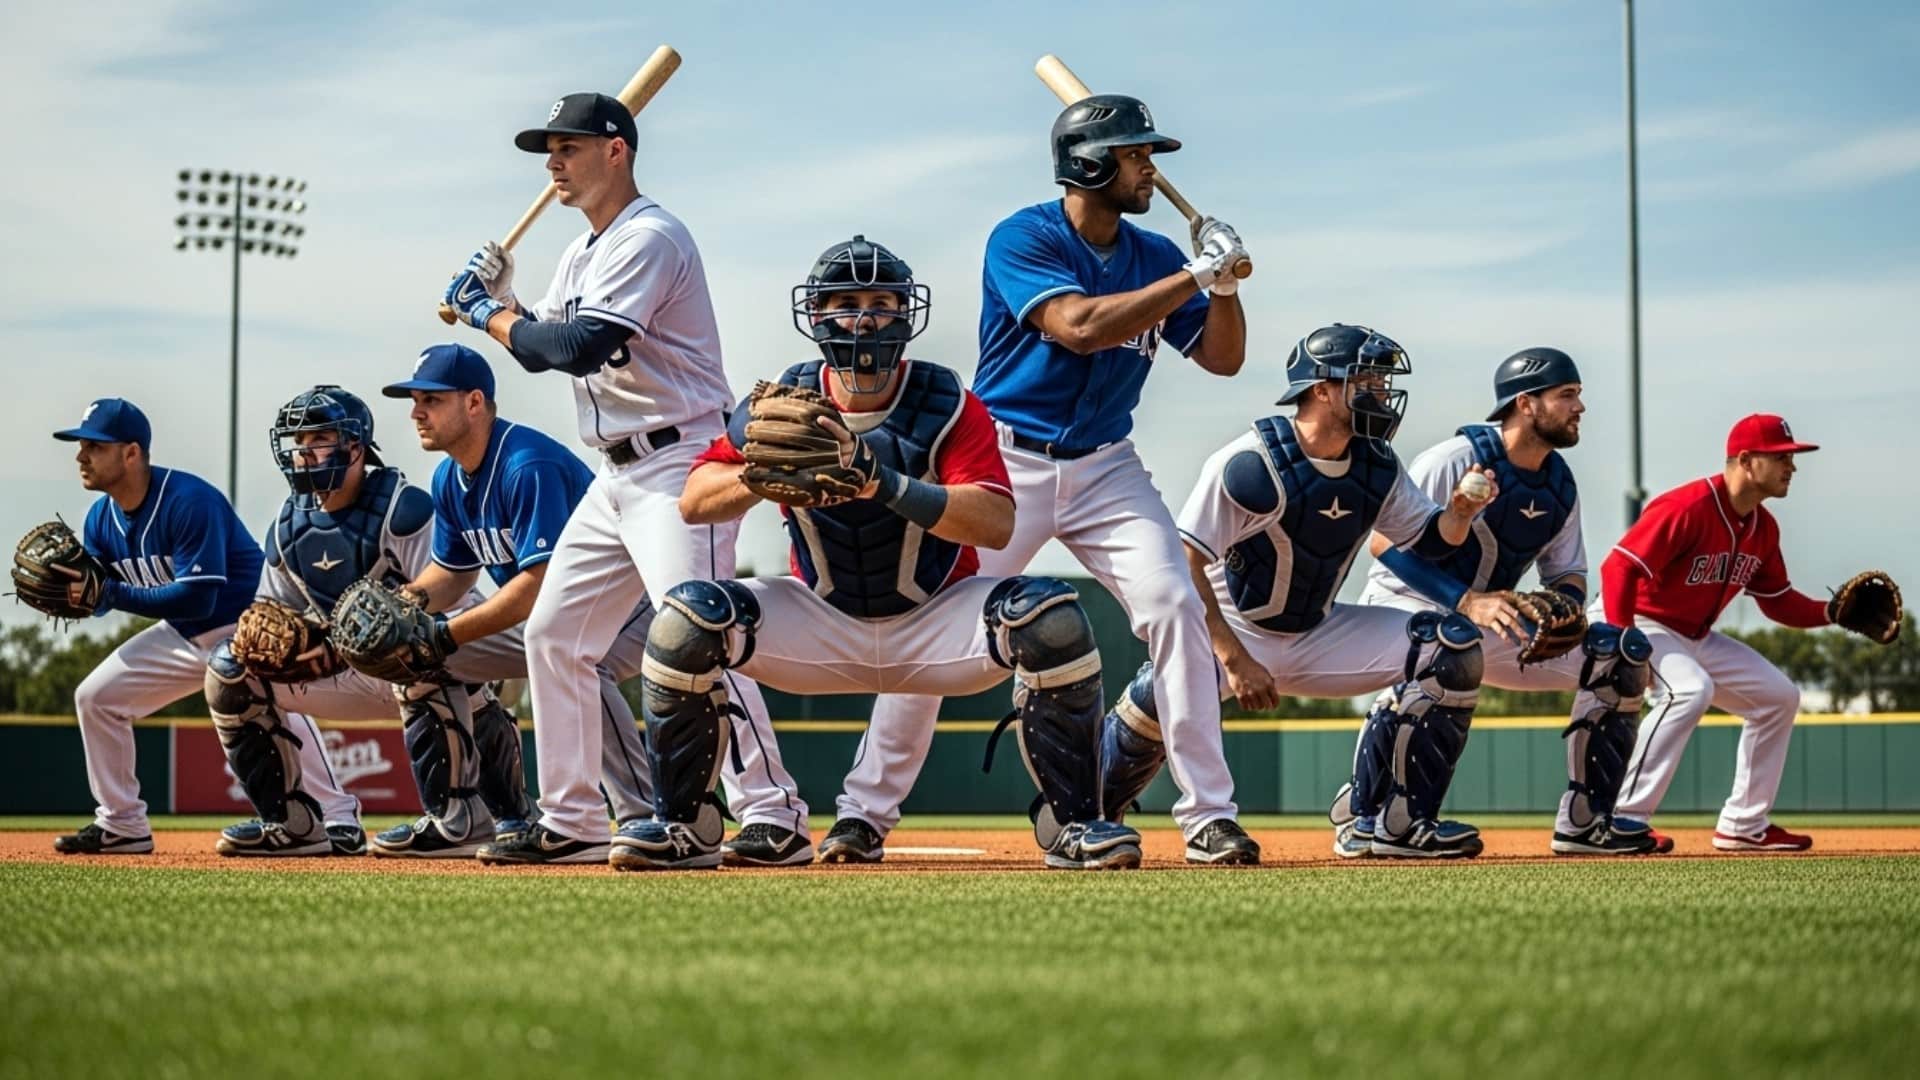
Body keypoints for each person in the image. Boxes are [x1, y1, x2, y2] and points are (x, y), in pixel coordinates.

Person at [612, 236, 1139, 871]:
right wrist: (758, 474)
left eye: (882, 302)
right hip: (822, 619)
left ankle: (1076, 820)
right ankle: (684, 824)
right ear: (818, 315)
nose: (865, 318)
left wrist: (879, 481)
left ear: (905, 314)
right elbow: (695, 501)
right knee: (686, 619)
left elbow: (997, 521)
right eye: (847, 303)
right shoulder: (782, 401)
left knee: (1051, 616)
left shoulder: (946, 403)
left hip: (934, 620)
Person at [851, 92, 1258, 865]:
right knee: (933, 627)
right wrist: (1195, 276)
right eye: (1136, 154)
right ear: (1089, 162)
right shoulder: (1023, 236)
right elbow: (1076, 328)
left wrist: (1225, 286)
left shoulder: (1158, 258)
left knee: (1175, 605)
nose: (1148, 169)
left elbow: (1223, 358)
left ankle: (1209, 815)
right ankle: (865, 813)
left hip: (1108, 464)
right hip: (1005, 459)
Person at [443, 91, 806, 866]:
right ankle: (571, 818)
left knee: (696, 633)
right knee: (555, 635)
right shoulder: (581, 254)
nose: (553, 162)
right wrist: (505, 300)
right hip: (614, 474)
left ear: (617, 150)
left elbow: (570, 346)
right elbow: (538, 334)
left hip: (683, 462)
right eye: (549, 149)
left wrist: (484, 314)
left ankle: (773, 813)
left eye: (568, 147)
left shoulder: (653, 235)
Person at [1100, 325, 1498, 859]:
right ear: (1321, 389)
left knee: (1451, 645)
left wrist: (1460, 513)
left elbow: (1432, 541)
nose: (1381, 392)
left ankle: (1396, 823)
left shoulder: (1376, 465)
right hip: (1233, 632)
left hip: (1319, 631)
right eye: (1367, 379)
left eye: (1382, 380)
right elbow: (1185, 563)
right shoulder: (1250, 463)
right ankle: (1115, 814)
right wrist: (1235, 658)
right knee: (1156, 696)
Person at [1351, 349, 1664, 856]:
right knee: (1448, 646)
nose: (1579, 407)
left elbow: (1568, 573)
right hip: (1405, 605)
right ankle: (1388, 817)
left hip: (1490, 617)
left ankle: (1585, 824)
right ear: (1525, 403)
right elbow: (1383, 546)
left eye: (1579, 395)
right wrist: (1464, 601)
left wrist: (1563, 607)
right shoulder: (1453, 459)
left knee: (1620, 652)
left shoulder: (1559, 481)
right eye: (1567, 395)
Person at [203, 386, 520, 857]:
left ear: (356, 446)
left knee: (411, 643)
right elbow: (272, 616)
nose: (307, 453)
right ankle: (293, 824)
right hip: (342, 671)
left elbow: (452, 603)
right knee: (229, 669)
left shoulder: (402, 508)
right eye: (300, 443)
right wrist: (285, 642)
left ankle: (464, 819)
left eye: (320, 439)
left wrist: (388, 633)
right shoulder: (287, 528)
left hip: (445, 668)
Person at [43, 398, 362, 856]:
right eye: (82, 446)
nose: (81, 456)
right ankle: (122, 824)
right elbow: (102, 599)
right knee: (96, 698)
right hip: (182, 634)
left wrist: (110, 594)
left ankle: (337, 817)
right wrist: (78, 598)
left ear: (131, 453)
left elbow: (199, 596)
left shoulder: (188, 500)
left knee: (271, 695)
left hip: (247, 625)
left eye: (93, 446)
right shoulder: (99, 519)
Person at [373, 343, 658, 855]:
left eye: (431, 400)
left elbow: (539, 586)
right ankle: (461, 818)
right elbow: (454, 575)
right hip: (550, 616)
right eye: (414, 400)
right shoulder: (448, 477)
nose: (416, 411)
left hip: (634, 609)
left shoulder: (526, 465)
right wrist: (409, 604)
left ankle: (643, 815)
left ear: (475, 402)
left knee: (577, 655)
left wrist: (447, 632)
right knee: (415, 658)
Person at [1610, 414, 1890, 851]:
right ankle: (1622, 818)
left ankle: (1744, 824)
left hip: (1695, 635)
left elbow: (1777, 600)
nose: (1791, 468)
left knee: (1778, 697)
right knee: (1688, 691)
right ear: (1745, 460)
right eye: (1781, 457)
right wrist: (1623, 641)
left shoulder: (1763, 528)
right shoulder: (1686, 507)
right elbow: (1619, 568)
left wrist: (1832, 612)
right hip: (1643, 620)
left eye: (1791, 459)